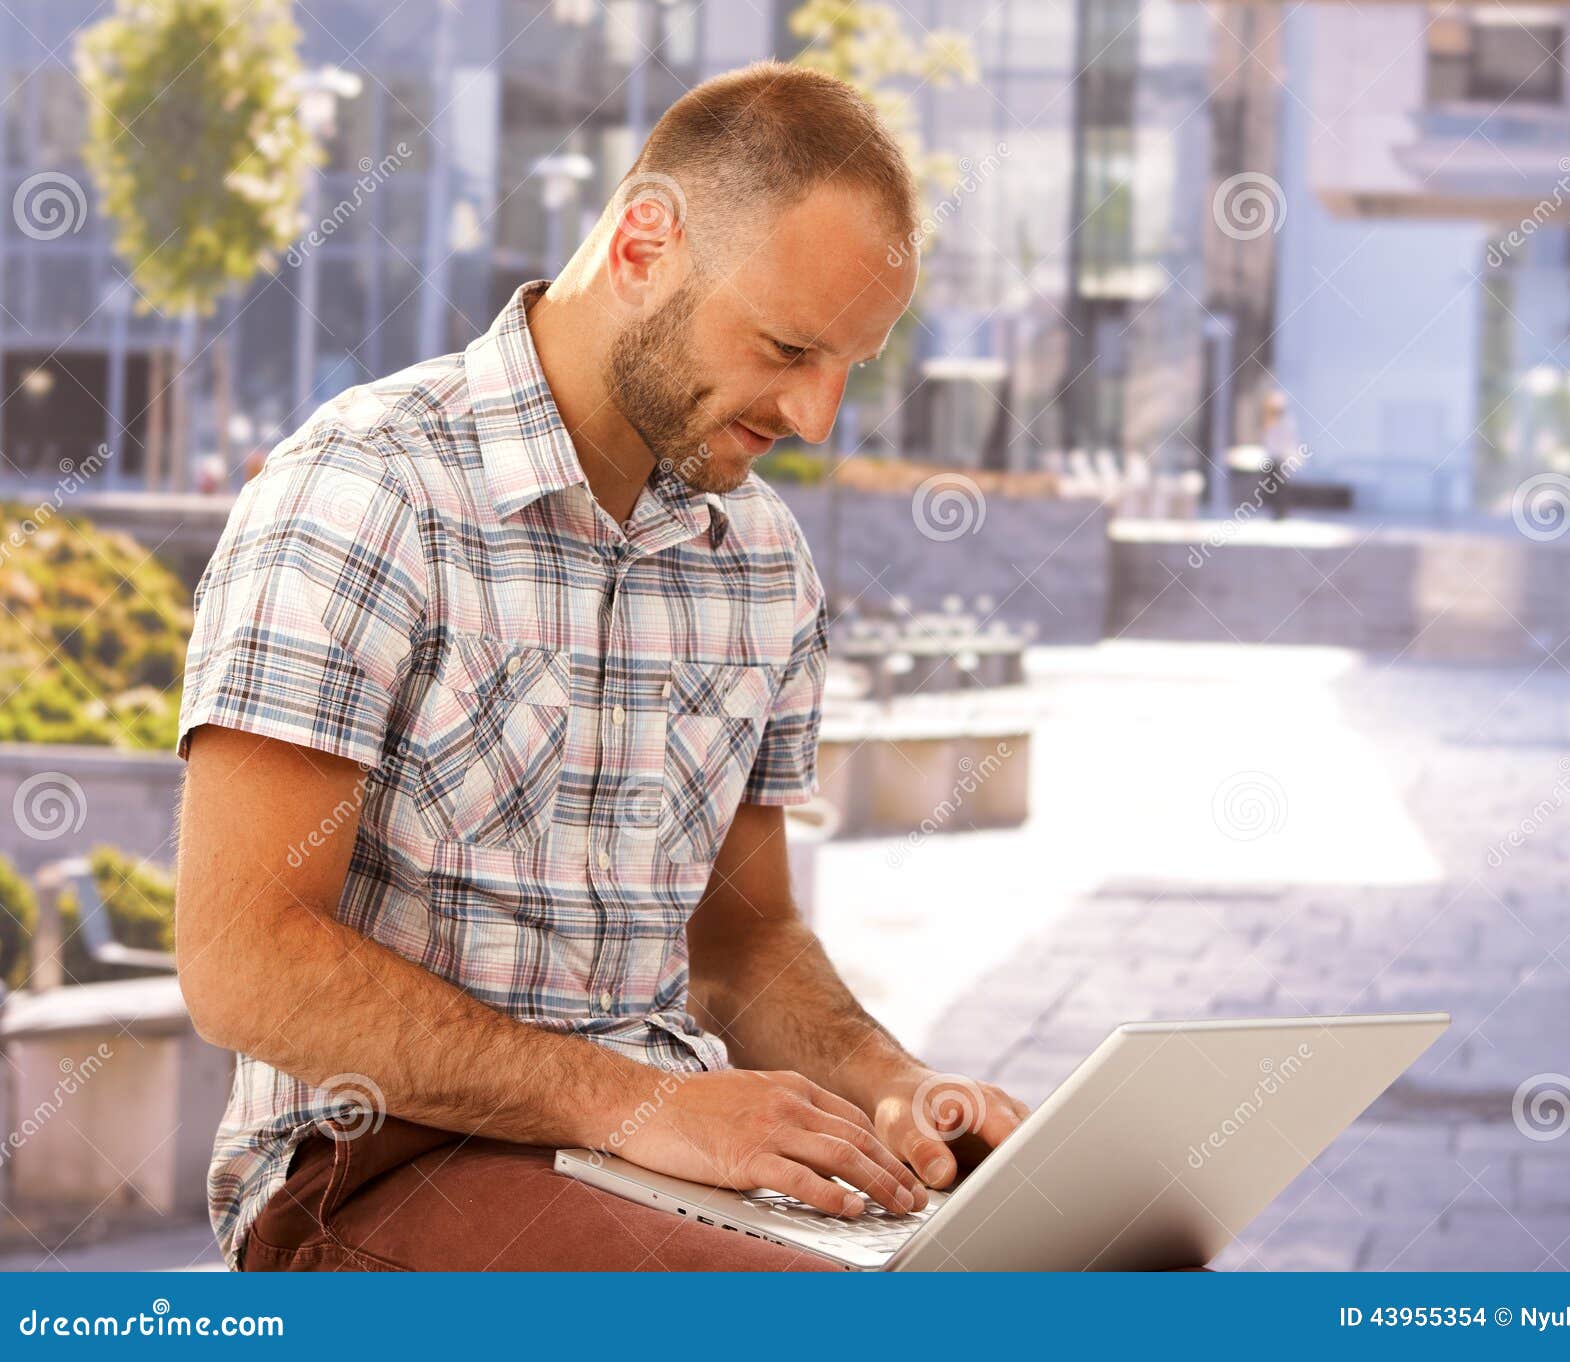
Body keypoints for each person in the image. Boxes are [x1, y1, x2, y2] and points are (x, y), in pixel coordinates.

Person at [174, 62, 1028, 1273]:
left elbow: (743, 943)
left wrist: (898, 1087)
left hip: (664, 1167)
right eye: (788, 346)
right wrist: (635, 1104)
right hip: (372, 1170)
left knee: (1116, 1275)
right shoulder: (366, 491)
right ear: (642, 245)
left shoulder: (763, 561)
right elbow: (242, 959)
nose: (819, 415)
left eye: (852, 362)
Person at [1259, 389, 1299, 520]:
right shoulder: (1270, 421)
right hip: (1273, 457)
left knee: (1281, 487)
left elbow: (1286, 440)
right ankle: (1276, 512)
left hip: (1282, 458)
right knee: (1272, 486)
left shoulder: (1286, 421)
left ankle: (1281, 512)